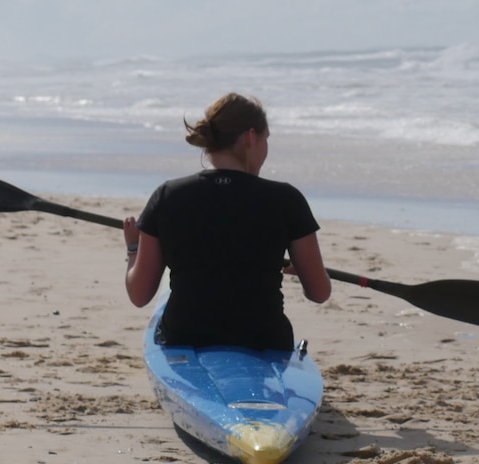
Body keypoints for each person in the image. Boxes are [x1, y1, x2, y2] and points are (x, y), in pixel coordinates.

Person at [123, 93, 332, 350]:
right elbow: (319, 293)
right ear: (250, 137)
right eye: (266, 140)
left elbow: (140, 295)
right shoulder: (286, 199)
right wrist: (305, 269)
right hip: (265, 340)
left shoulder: (168, 196)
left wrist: (133, 248)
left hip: (186, 337)